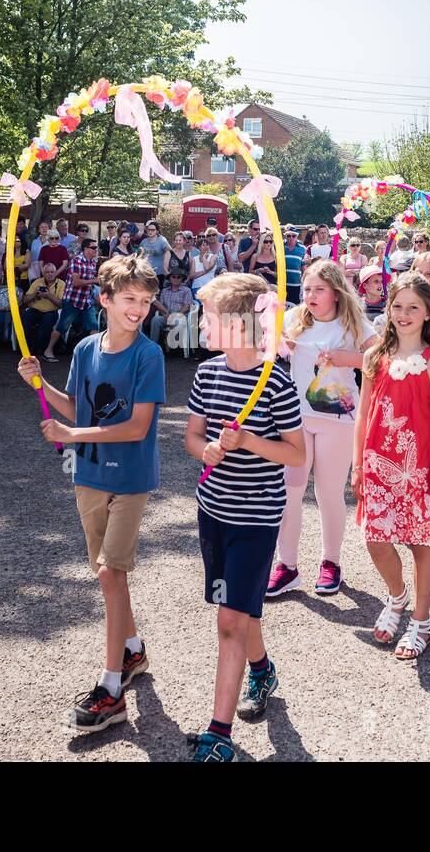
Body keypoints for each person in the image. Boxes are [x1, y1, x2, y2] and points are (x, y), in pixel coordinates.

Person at [16, 254, 165, 732]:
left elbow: (136, 426)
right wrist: (37, 382)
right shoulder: (84, 349)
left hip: (130, 480)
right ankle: (134, 651)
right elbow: (77, 407)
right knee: (109, 577)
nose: (138, 309)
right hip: (89, 477)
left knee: (108, 573)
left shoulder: (149, 355)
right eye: (129, 299)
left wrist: (72, 435)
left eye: (145, 301)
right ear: (104, 300)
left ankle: (111, 689)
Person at [184, 273, 305, 762]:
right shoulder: (206, 374)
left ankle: (219, 734)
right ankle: (262, 670)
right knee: (237, 605)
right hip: (213, 511)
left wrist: (250, 442)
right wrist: (206, 450)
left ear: (238, 324)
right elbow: (191, 436)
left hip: (256, 516)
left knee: (230, 620)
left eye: (208, 316)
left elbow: (296, 455)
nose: (200, 323)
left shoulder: (274, 380)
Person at [353, 271, 430, 659]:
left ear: (429, 312)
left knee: (419, 543)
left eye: (413, 307)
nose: (404, 313)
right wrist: (356, 464)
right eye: (397, 306)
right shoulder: (374, 356)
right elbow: (363, 414)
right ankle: (397, 598)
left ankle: (421, 621)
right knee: (375, 540)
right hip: (378, 465)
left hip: (419, 468)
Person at [268, 260, 377, 597]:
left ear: (335, 292)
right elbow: (267, 352)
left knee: (329, 494)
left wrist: (348, 359)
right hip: (296, 419)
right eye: (307, 289)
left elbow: (381, 357)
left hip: (339, 420)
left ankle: (331, 563)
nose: (310, 295)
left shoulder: (353, 322)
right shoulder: (292, 319)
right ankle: (287, 566)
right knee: (290, 493)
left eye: (318, 289)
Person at [43, 238, 99, 361]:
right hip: (72, 301)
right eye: (94, 247)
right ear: (85, 249)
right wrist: (94, 280)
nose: (96, 249)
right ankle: (48, 350)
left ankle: (94, 357)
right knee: (61, 327)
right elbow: (76, 282)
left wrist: (97, 281)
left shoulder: (92, 262)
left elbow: (90, 281)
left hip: (86, 301)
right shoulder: (76, 261)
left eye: (97, 247)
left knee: (94, 327)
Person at [21, 263, 64, 353]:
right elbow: (25, 300)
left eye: (52, 272)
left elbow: (62, 304)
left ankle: (39, 348)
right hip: (36, 310)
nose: (49, 274)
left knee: (47, 321)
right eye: (47, 272)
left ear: (55, 272)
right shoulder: (37, 282)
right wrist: (35, 294)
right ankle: (25, 347)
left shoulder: (61, 284)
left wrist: (48, 296)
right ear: (43, 273)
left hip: (52, 311)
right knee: (26, 316)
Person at [149, 268, 194, 350]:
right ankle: (153, 346)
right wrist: (164, 314)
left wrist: (177, 315)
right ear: (169, 278)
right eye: (173, 276)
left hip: (181, 315)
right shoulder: (164, 291)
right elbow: (161, 306)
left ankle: (174, 345)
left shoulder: (186, 290)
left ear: (182, 279)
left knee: (177, 321)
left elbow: (187, 306)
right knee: (156, 319)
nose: (176, 279)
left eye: (178, 277)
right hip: (167, 315)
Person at [282, 227, 304, 304]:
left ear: (297, 237)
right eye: (288, 236)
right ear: (285, 236)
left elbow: (303, 267)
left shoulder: (302, 249)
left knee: (294, 308)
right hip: (282, 284)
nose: (291, 238)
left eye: (293, 236)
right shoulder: (280, 247)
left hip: (296, 285)